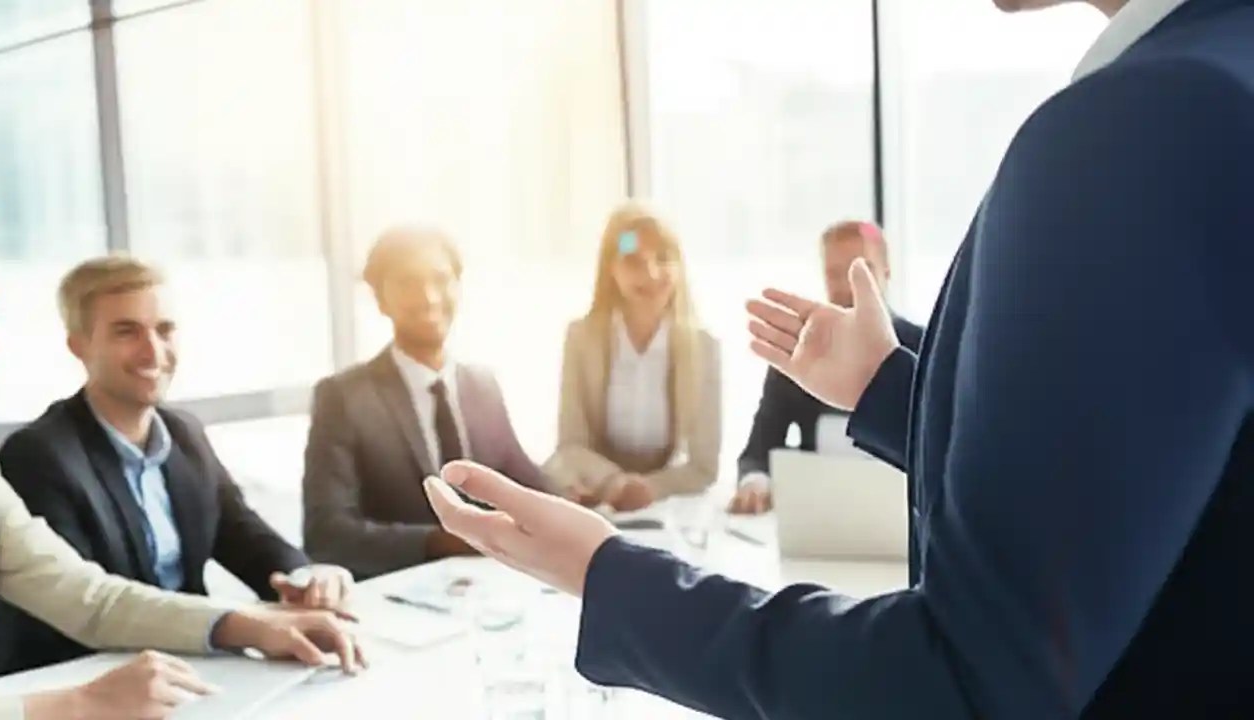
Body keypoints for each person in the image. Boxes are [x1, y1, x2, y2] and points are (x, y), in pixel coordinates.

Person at [420, 0, 1254, 717]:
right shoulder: (1220, 70)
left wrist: (609, 577)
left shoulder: (1146, 118)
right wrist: (893, 389)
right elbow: (1162, 483)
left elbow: (959, 685)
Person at [0, 268, 365, 720]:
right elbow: (61, 638)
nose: (152, 351)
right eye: (127, 332)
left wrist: (248, 625)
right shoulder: (39, 453)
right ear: (79, 346)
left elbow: (91, 599)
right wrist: (76, 704)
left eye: (164, 329)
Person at [302, 226, 553, 579]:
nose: (429, 297)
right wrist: (445, 541)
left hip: (494, 589)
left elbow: (529, 483)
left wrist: (591, 502)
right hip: (403, 601)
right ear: (380, 299)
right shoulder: (344, 398)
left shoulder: (481, 384)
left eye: (441, 279)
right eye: (407, 283)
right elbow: (326, 534)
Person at [729, 220, 921, 514]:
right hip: (818, 521)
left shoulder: (925, 348)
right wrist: (755, 483)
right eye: (834, 274)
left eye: (863, 271)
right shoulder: (798, 351)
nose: (847, 287)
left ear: (887, 271)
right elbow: (758, 451)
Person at [544, 203, 721, 512]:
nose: (651, 274)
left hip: (661, 503)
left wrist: (649, 489)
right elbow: (571, 443)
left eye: (663, 259)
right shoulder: (582, 338)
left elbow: (703, 467)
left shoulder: (702, 347)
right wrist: (613, 483)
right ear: (610, 269)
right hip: (593, 493)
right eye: (633, 261)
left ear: (679, 267)